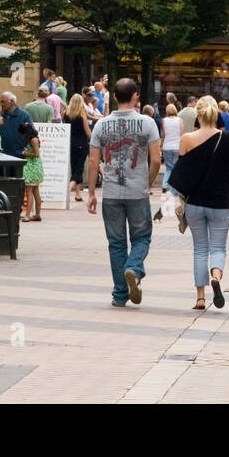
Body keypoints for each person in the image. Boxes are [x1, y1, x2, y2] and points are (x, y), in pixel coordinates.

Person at [87, 78, 161, 307]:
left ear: (115, 97)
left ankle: (120, 294)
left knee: (116, 243)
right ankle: (134, 268)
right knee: (141, 238)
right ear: (135, 95)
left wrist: (91, 192)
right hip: (137, 191)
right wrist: (147, 183)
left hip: (110, 192)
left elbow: (92, 161)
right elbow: (156, 159)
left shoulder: (100, 125)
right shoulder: (147, 123)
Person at [170, 95, 229, 311]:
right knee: (218, 247)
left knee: (200, 249)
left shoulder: (187, 139)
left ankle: (200, 298)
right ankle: (217, 276)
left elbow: (181, 174)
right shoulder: (228, 139)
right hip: (220, 202)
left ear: (198, 115)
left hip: (195, 202)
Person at [64, 93, 93, 205]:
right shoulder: (82, 116)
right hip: (81, 144)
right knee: (79, 169)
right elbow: (87, 131)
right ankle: (68, 189)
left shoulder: (66, 115)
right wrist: (94, 140)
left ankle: (78, 194)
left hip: (70, 144)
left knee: (74, 166)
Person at [160, 103, 183, 197]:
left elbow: (163, 134)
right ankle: (174, 189)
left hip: (167, 146)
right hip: (177, 146)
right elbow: (181, 134)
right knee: (175, 168)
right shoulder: (180, 120)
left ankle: (164, 185)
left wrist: (161, 144)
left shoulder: (164, 120)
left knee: (168, 168)